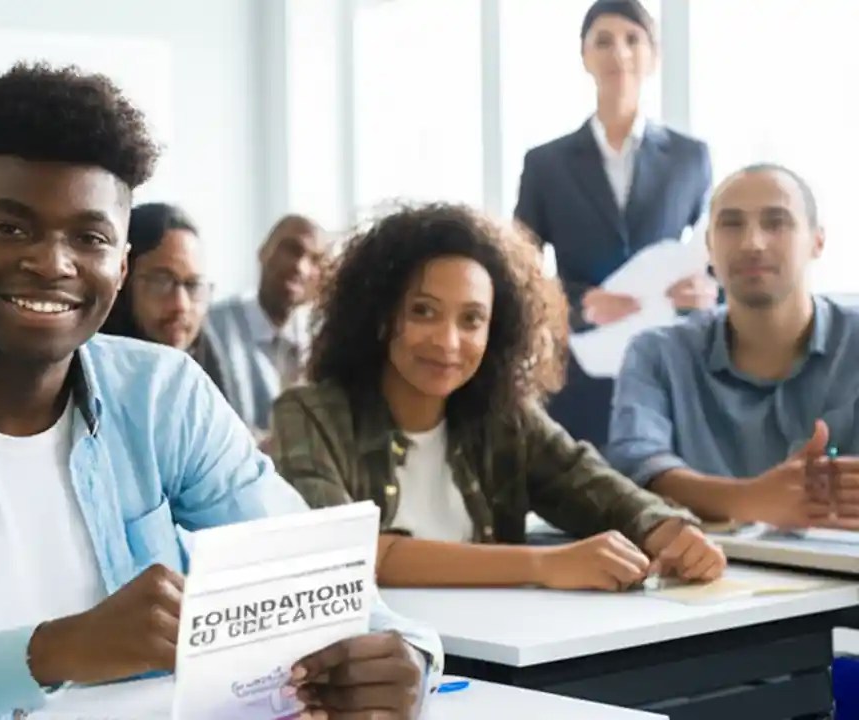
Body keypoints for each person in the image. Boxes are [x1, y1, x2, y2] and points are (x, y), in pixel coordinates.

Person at [0, 63, 440, 720]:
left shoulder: (164, 395)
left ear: (123, 262)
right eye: (11, 227)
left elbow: (324, 591)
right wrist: (52, 651)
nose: (51, 263)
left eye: (90, 236)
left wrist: (407, 656)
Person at [269, 202, 725, 590]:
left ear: (496, 332)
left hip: (501, 662)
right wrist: (545, 565)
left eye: (471, 320)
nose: (448, 342)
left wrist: (671, 532)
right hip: (375, 668)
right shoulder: (309, 414)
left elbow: (594, 487)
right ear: (381, 316)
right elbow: (341, 552)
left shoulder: (506, 420)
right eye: (423, 312)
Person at [608, 164, 859, 529]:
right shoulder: (657, 354)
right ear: (709, 245)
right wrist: (752, 500)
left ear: (817, 242)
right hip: (705, 573)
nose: (752, 243)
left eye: (776, 222)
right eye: (731, 224)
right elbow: (634, 466)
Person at [514, 0, 716, 448]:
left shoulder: (690, 157)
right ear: (584, 56)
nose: (619, 54)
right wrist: (578, 303)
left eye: (632, 40)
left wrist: (706, 292)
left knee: (663, 488)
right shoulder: (545, 164)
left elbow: (716, 255)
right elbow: (518, 267)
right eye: (603, 41)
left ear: (653, 55)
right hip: (578, 368)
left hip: (666, 359)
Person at [207, 214, 328, 434]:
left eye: (316, 260)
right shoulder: (211, 328)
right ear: (264, 251)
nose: (301, 267)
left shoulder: (321, 343)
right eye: (292, 250)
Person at [100, 202, 229, 396]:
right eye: (162, 282)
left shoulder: (205, 363)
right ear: (123, 279)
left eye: (193, 285)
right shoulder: (88, 376)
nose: (181, 305)